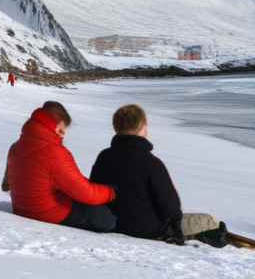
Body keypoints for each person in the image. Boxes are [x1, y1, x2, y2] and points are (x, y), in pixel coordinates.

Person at [90, 104, 227, 247]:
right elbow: (170, 207)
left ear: (116, 128)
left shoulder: (103, 157)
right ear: (143, 127)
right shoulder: (151, 163)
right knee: (210, 221)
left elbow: (94, 192)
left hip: (108, 223)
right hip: (147, 229)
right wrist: (175, 232)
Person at [2, 101, 116, 232]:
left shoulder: (15, 147)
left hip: (22, 208)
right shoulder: (53, 153)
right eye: (63, 127)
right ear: (59, 125)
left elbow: (7, 184)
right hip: (48, 212)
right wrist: (110, 192)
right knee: (107, 218)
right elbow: (84, 192)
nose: (63, 133)